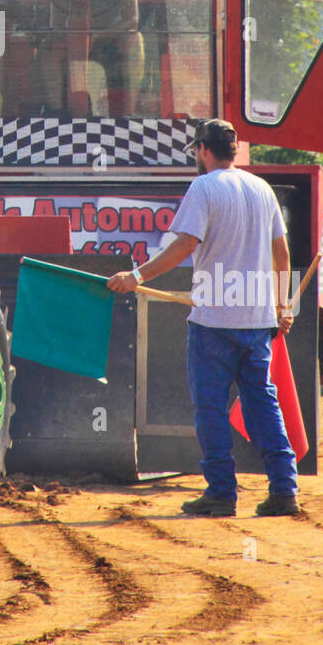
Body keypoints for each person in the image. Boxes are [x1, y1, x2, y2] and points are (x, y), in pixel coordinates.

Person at [107, 117, 298, 517]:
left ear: (203, 149)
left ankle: (221, 493)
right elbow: (281, 253)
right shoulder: (262, 189)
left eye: (195, 150)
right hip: (257, 319)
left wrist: (136, 275)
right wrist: (283, 306)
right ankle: (284, 489)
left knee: (210, 408)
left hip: (213, 321)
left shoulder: (204, 187)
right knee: (263, 403)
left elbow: (185, 245)